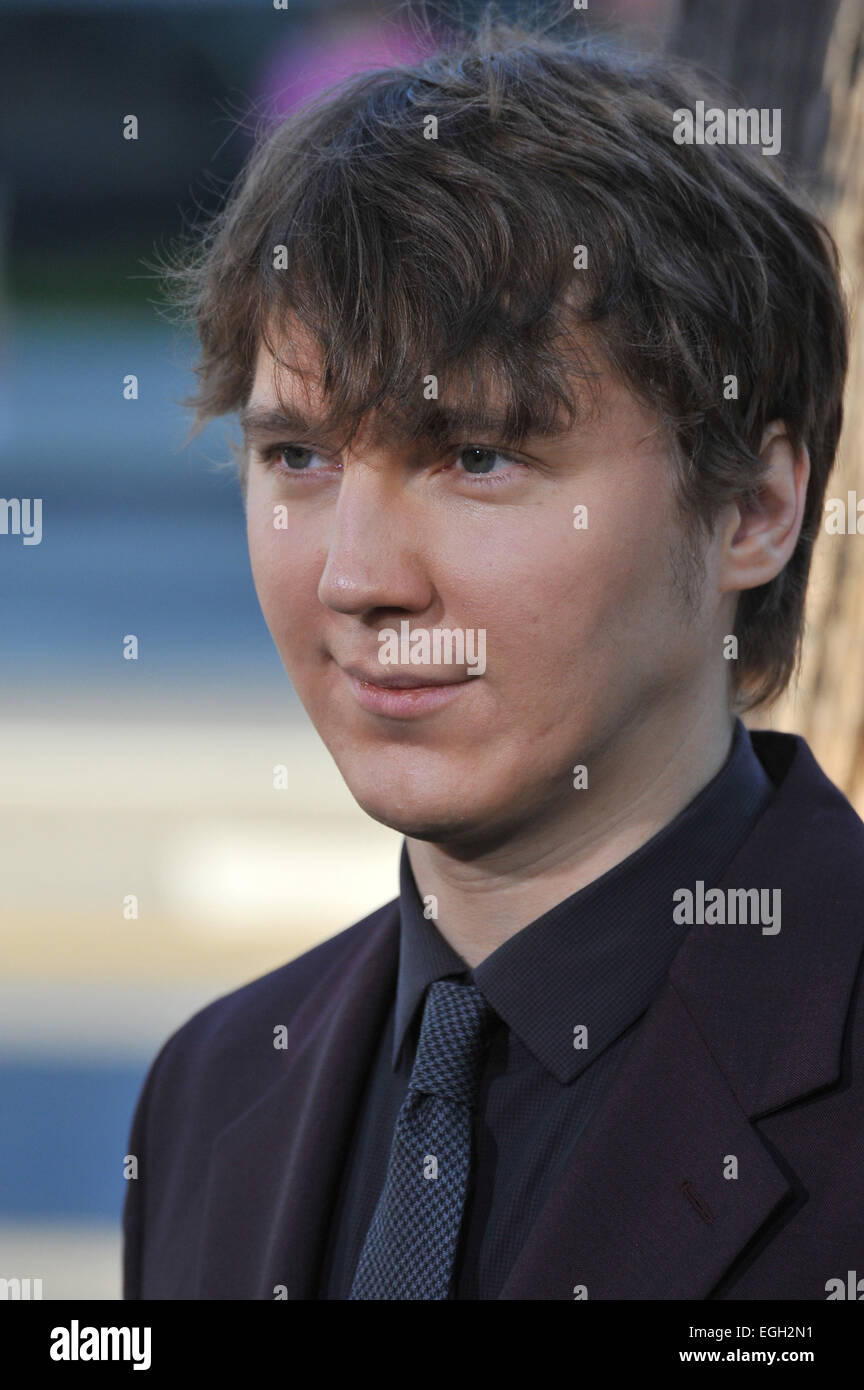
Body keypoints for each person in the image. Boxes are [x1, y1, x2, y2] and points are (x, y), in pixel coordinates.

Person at [123, 14, 864, 1301]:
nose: (359, 577)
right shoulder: (209, 1093)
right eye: (297, 457)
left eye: (476, 456)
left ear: (755, 506)